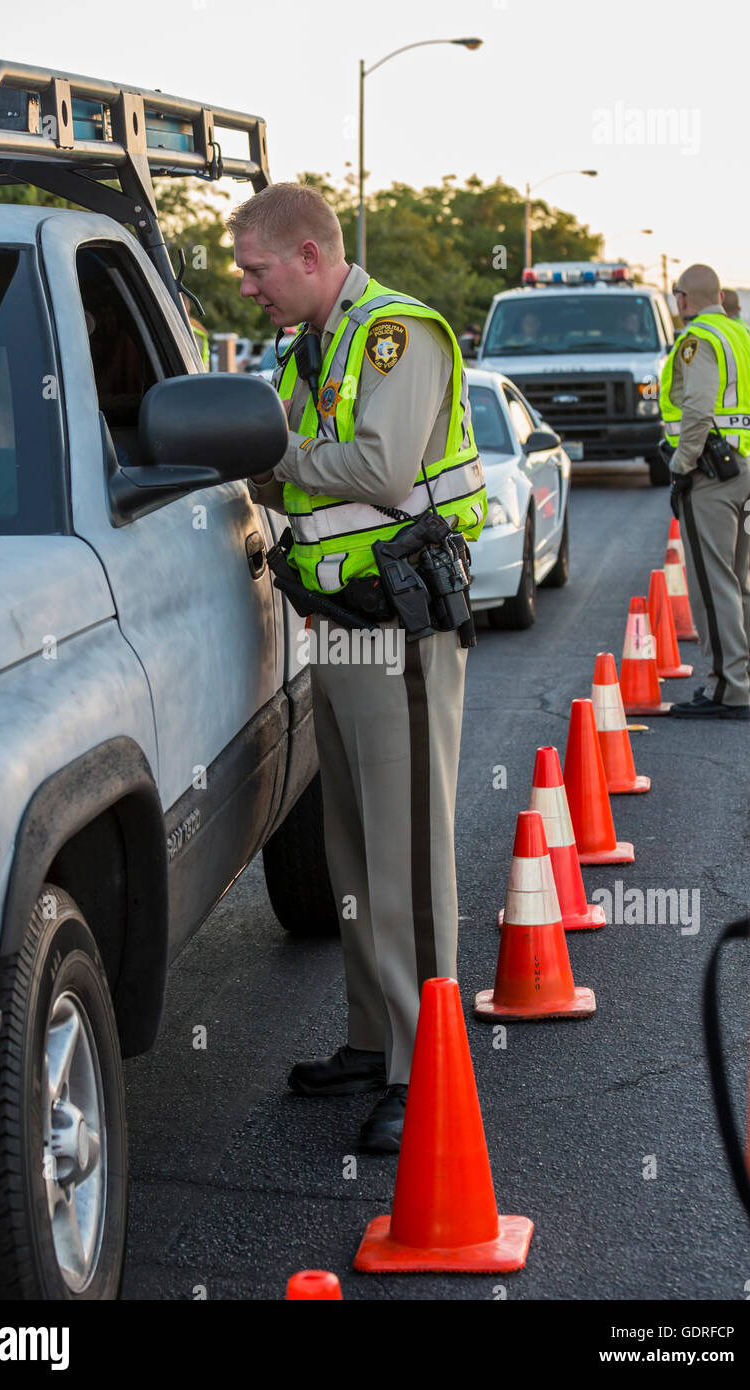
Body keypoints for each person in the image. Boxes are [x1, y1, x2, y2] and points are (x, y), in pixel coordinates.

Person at [227, 182, 486, 1152]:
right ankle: (373, 1041)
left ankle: (424, 1074)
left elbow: (377, 467)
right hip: (334, 626)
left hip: (399, 630)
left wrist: (277, 454)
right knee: (350, 851)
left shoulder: (394, 334)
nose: (248, 287)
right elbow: (277, 466)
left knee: (408, 855)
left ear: (307, 253)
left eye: (255, 269)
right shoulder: (308, 348)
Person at [660, 264, 750, 719]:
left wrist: (681, 464)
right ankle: (747, 681)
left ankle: (726, 690)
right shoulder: (744, 336)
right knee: (738, 580)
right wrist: (745, 443)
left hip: (710, 477)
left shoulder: (698, 340)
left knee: (713, 585)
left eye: (676, 296)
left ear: (684, 299)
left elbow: (696, 408)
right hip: (746, 468)